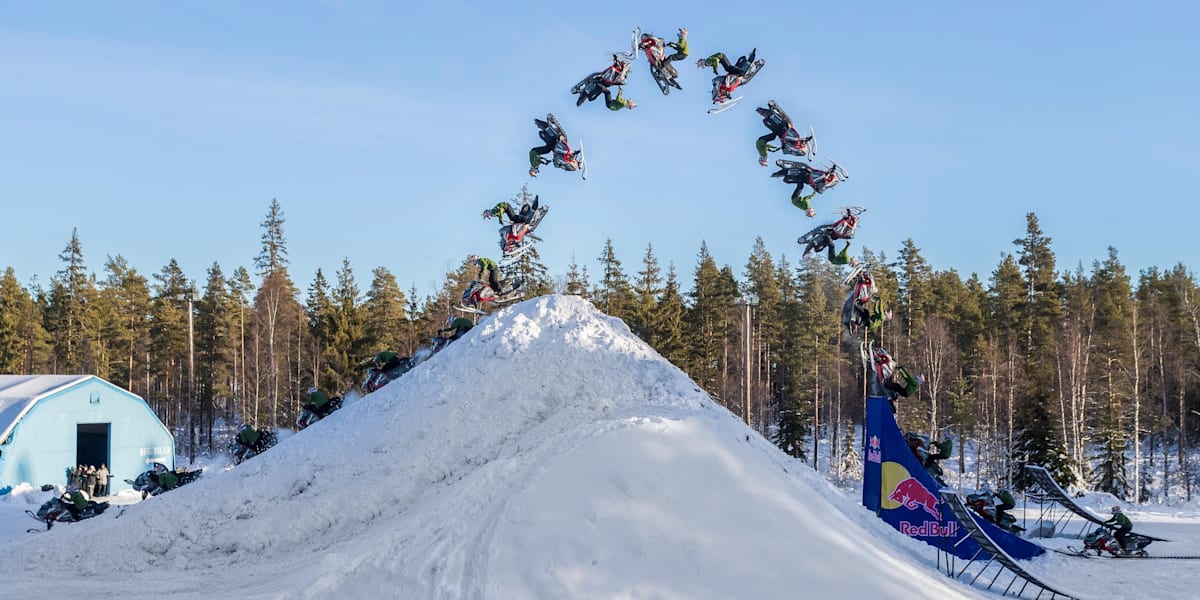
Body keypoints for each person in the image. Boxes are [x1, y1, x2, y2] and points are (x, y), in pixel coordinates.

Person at [771, 161, 845, 216]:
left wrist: (812, 195)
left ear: (809, 210)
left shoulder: (806, 206)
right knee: (801, 184)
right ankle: (790, 178)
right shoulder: (805, 207)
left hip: (795, 198)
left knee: (800, 186)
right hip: (794, 199)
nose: (812, 209)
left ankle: (830, 172)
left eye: (812, 211)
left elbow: (806, 198)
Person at [756, 101, 813, 166]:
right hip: (762, 140)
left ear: (763, 159)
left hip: (761, 140)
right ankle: (773, 109)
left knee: (778, 132)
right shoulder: (763, 153)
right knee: (778, 132)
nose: (767, 159)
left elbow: (766, 147)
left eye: (766, 160)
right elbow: (767, 147)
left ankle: (774, 108)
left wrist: (775, 148)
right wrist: (776, 148)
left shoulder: (762, 153)